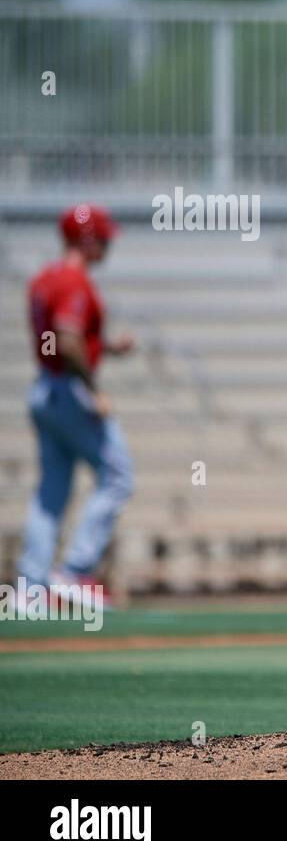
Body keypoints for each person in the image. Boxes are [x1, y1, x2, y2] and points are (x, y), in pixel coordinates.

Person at [20, 204, 135, 607]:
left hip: (44, 388)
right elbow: (68, 340)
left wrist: (106, 348)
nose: (108, 246)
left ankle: (31, 587)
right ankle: (74, 570)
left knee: (51, 490)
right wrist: (93, 389)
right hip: (69, 389)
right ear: (87, 240)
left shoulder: (44, 279)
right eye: (103, 239)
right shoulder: (74, 282)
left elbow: (62, 338)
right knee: (119, 474)